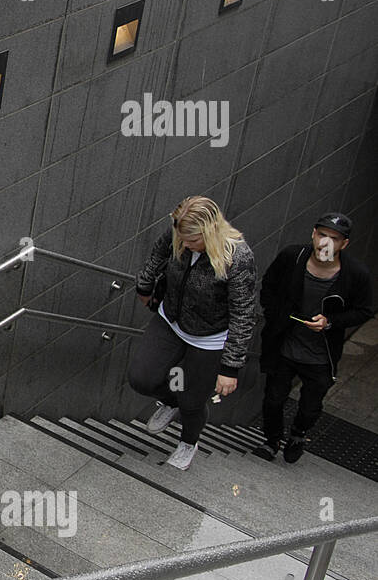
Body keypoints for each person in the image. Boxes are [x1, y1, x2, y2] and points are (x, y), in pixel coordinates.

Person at [129, 197, 257, 470]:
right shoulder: (178, 232)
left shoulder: (238, 257)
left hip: (209, 338)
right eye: (182, 238)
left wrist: (230, 367)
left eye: (192, 241)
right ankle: (170, 400)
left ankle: (188, 441)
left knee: (192, 399)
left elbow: (244, 313)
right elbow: (158, 254)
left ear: (210, 232)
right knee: (142, 379)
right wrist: (145, 285)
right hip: (171, 320)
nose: (185, 245)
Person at [255, 213, 374, 464]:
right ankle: (271, 440)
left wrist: (330, 322)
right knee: (273, 398)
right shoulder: (292, 257)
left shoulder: (355, 274)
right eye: (322, 235)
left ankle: (298, 435)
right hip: (285, 345)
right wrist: (277, 315)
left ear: (344, 244)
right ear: (313, 234)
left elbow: (364, 310)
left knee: (310, 406)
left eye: (335, 238)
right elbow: (269, 286)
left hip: (321, 354)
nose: (326, 243)